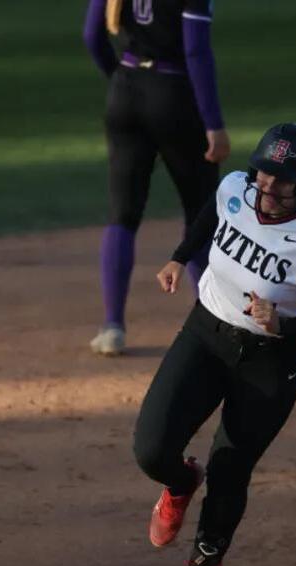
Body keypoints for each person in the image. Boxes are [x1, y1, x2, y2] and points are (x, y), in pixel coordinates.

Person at [132, 123, 296, 566]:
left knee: (232, 466)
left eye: (283, 179)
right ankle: (183, 481)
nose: (268, 186)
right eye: (265, 173)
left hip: (269, 364)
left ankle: (206, 560)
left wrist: (282, 325)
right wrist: (178, 258)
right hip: (205, 336)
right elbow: (211, 218)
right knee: (150, 448)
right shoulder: (235, 187)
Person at [82, 0, 231, 355]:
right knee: (200, 213)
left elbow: (92, 35)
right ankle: (214, 326)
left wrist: (118, 79)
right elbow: (195, 50)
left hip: (126, 87)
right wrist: (213, 124)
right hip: (174, 94)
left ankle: (112, 327)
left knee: (123, 213)